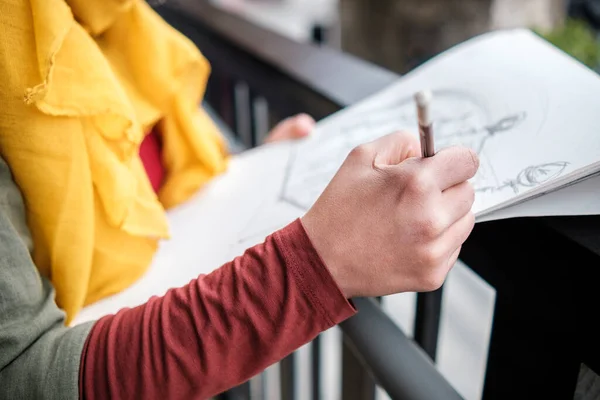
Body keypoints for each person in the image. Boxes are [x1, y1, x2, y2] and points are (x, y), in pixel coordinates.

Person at [0, 0, 479, 399]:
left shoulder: (104, 16)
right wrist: (316, 266)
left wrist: (255, 177)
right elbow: (21, 376)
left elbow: (129, 182)